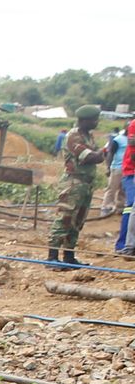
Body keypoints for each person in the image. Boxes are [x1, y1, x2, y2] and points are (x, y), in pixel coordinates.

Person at [47, 105, 107, 269]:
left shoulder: (88, 136)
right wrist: (101, 153)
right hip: (74, 182)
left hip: (85, 183)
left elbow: (98, 156)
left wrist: (99, 154)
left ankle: (69, 256)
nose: (96, 122)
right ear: (84, 120)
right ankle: (52, 257)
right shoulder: (73, 136)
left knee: (77, 221)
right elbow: (90, 157)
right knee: (65, 218)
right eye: (94, 120)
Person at [114, 120, 135, 255]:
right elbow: (133, 155)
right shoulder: (134, 125)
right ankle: (125, 245)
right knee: (131, 206)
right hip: (131, 172)